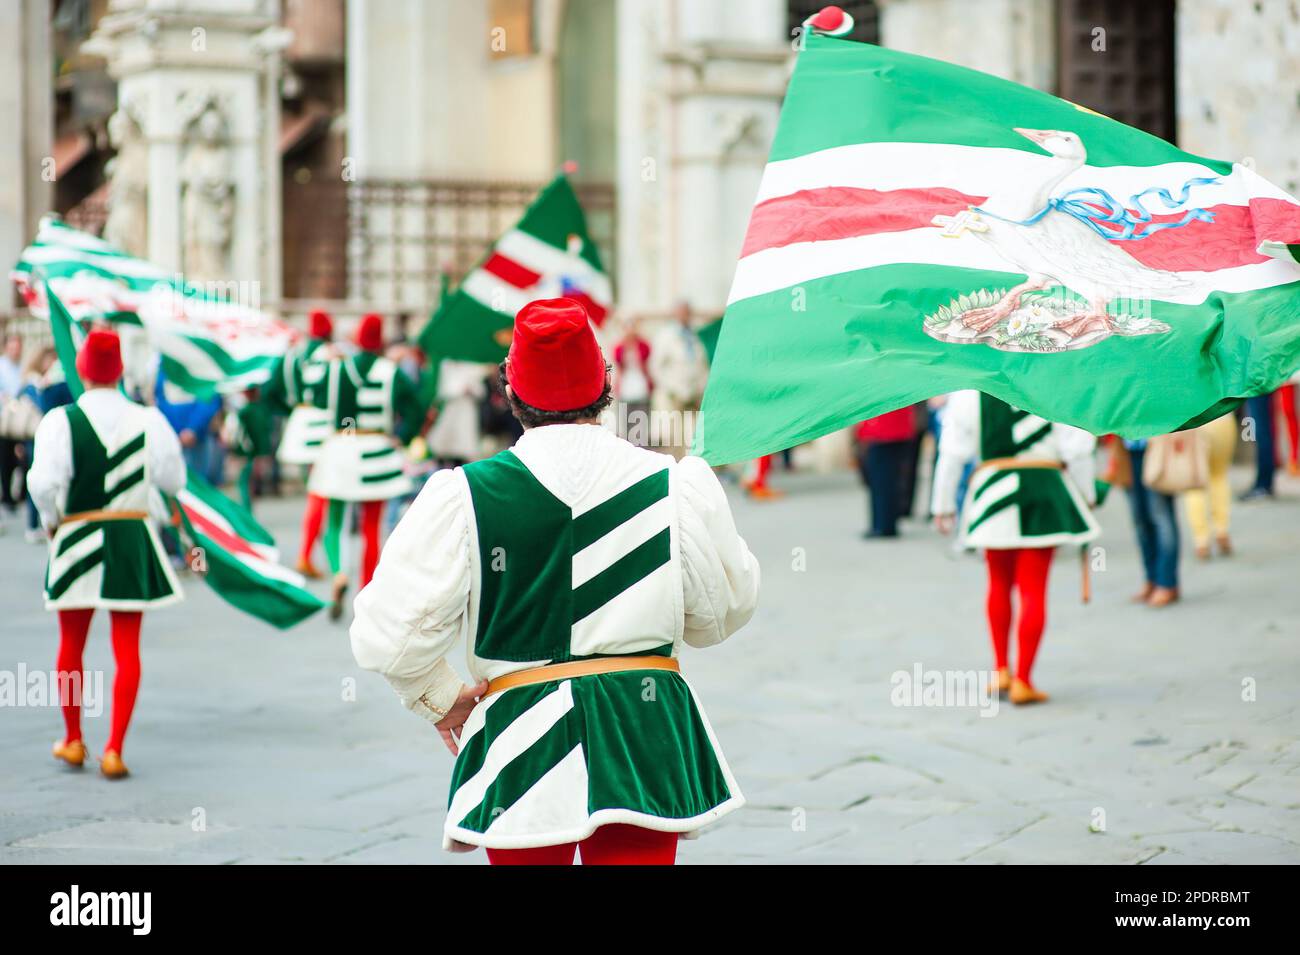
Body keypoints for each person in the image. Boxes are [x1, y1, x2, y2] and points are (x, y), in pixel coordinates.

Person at [350, 298, 760, 865]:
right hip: (642, 731)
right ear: (607, 385)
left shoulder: (464, 493)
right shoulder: (670, 483)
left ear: (511, 394)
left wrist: (440, 699)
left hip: (523, 733)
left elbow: (390, 634)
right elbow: (722, 615)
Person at [27, 328, 185, 778]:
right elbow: (174, 480)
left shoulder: (60, 420)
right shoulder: (150, 419)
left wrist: (51, 521)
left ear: (82, 369)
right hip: (131, 540)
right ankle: (114, 749)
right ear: (120, 371)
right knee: (127, 647)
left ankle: (73, 740)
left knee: (71, 644)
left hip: (76, 536)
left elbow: (42, 484)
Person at [931, 391, 1098, 704]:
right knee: (1033, 589)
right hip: (1043, 490)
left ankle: (1000, 670)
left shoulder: (970, 390)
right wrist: (1086, 494)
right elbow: (1077, 450)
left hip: (993, 490)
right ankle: (1023, 679)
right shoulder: (1053, 382)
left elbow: (952, 452)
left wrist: (942, 505)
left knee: (998, 582)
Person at [309, 313, 424, 619]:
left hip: (340, 449)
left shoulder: (336, 367)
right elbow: (416, 407)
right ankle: (365, 593)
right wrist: (403, 436)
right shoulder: (391, 371)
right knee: (371, 527)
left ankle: (338, 574)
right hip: (377, 450)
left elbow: (315, 399)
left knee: (334, 523)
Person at [264, 309, 334, 574]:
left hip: (300, 422)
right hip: (322, 425)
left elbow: (269, 390)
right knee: (321, 491)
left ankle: (313, 549)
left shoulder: (293, 353)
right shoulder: (329, 354)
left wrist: (289, 410)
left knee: (315, 489)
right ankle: (307, 553)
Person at [1124, 437, 1182, 607]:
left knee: (1160, 516)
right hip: (1128, 446)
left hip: (1158, 445)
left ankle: (1166, 582)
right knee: (1140, 517)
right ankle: (1152, 578)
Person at [648, 301, 709, 459]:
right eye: (682, 312)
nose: (685, 316)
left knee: (692, 440)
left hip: (692, 397)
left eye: (687, 312)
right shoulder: (666, 336)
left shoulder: (694, 337)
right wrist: (672, 389)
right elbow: (655, 366)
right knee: (673, 440)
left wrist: (700, 389)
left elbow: (701, 367)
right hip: (673, 397)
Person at [855, 405, 921, 538]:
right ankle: (884, 523)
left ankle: (883, 525)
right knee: (889, 480)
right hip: (896, 428)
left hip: (883, 431)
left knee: (882, 481)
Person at [1184, 412, 1237, 559]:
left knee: (1194, 484)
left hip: (1195, 421)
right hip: (1223, 418)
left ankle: (1201, 541)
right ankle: (1222, 530)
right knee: (1219, 476)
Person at [0, 334, 26, 519]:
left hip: (21, 419)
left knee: (23, 458)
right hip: (5, 418)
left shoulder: (23, 367)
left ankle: (19, 495)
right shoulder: (2, 367)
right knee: (6, 460)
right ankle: (8, 497)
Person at [1239, 392, 1276, 501]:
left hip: (1257, 381)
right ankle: (1264, 483)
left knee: (1260, 429)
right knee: (1262, 428)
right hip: (1259, 381)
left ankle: (1263, 484)